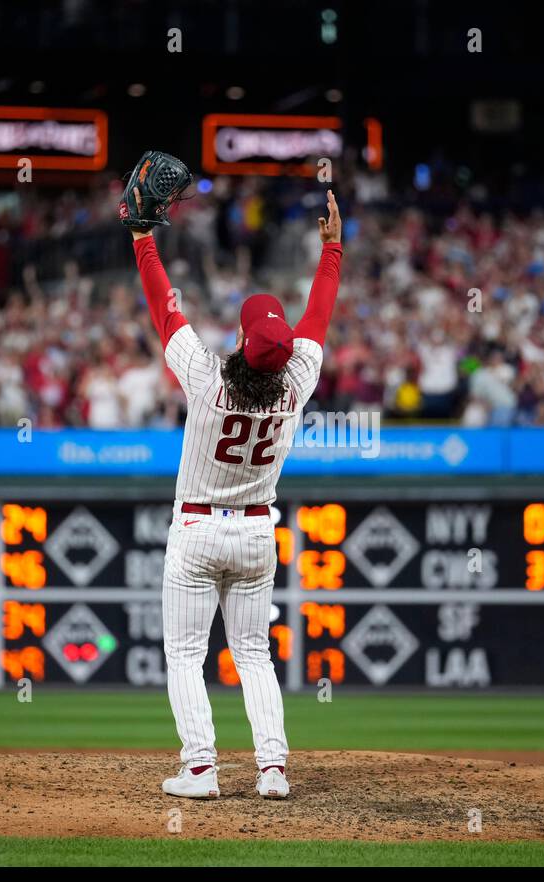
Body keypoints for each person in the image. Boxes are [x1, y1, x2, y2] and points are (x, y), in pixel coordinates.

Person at [129, 188, 343, 800]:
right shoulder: (298, 381)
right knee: (253, 655)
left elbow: (165, 309)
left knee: (186, 655)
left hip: (197, 529)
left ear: (244, 340)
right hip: (256, 531)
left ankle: (201, 770)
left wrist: (144, 240)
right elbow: (319, 316)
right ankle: (272, 771)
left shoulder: (205, 376)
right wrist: (332, 250)